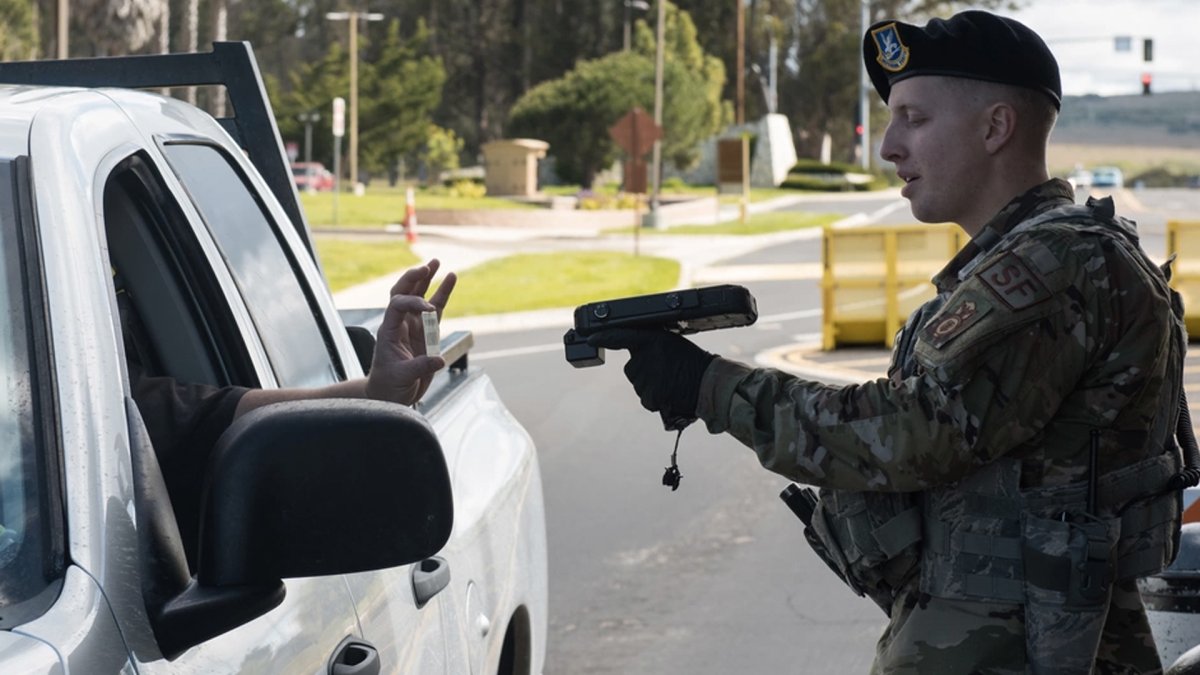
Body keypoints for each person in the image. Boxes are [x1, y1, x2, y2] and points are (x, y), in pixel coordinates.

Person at [591, 10, 1188, 674]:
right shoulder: (1047, 256)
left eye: (915, 118)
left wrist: (710, 386)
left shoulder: (1054, 265)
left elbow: (912, 433)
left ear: (995, 127)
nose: (889, 147)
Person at [127, 259, 456, 564]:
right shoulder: (107, 406)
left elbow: (218, 417)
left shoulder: (118, 408)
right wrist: (375, 395)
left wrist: (376, 394)